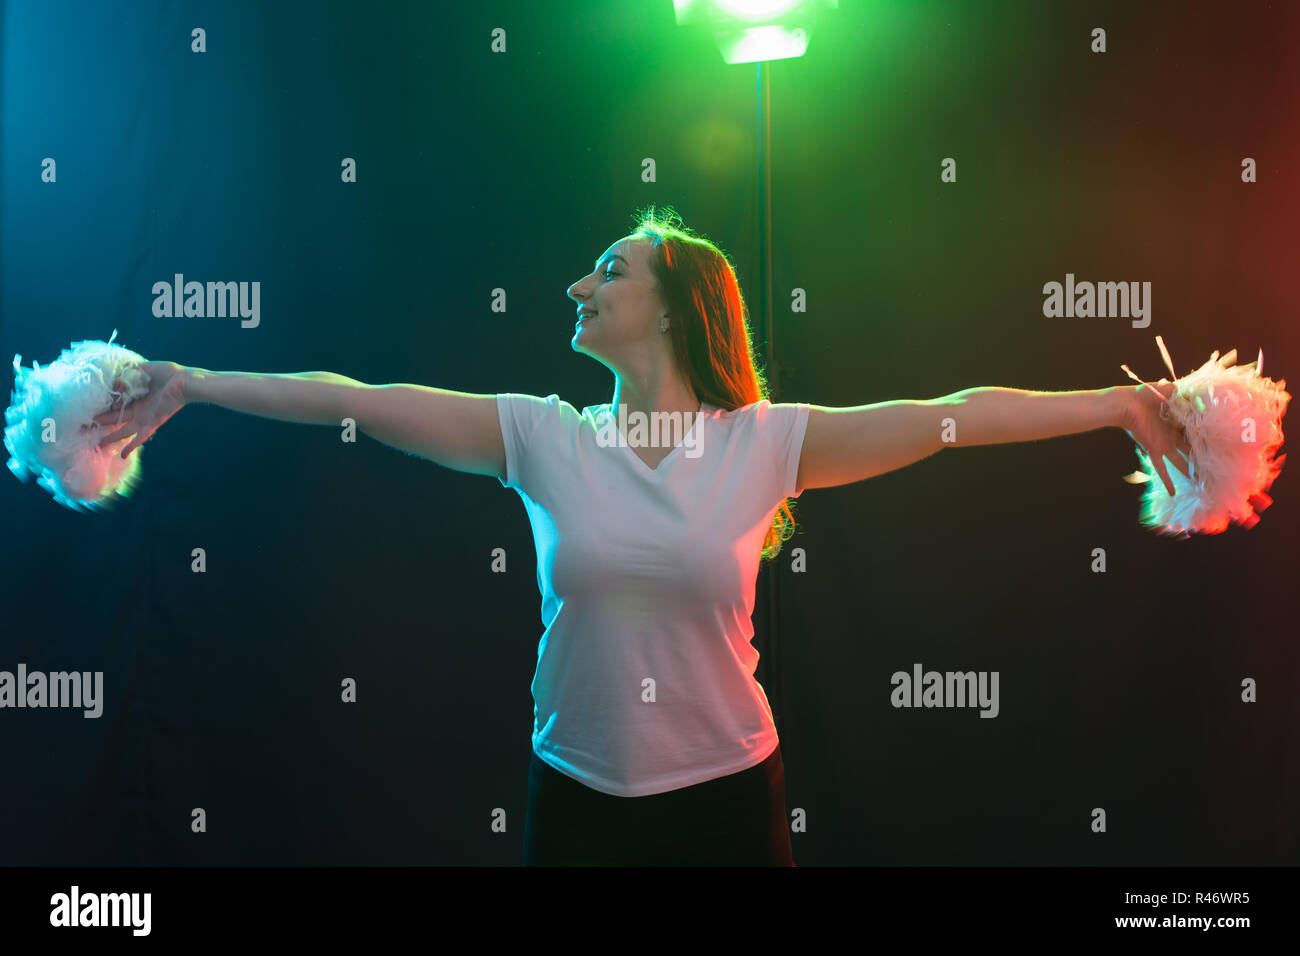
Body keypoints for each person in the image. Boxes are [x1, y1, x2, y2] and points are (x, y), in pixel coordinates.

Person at [93, 208, 1192, 867]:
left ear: (673, 305)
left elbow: (955, 415)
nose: (579, 283)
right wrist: (192, 381)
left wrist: (1115, 405)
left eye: (609, 269)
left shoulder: (766, 442)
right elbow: (361, 397)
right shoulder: (538, 434)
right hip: (574, 797)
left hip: (727, 799)